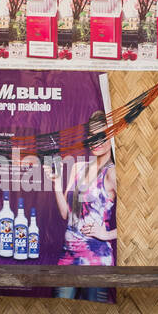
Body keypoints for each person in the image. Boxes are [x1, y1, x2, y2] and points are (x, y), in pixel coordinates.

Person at [47, 110, 117, 302]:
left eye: (102, 136)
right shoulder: (78, 168)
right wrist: (55, 183)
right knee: (60, 313)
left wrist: (107, 234)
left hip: (96, 259)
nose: (96, 141)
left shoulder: (111, 174)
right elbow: (65, 215)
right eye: (92, 137)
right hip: (68, 255)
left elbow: (136, 216)